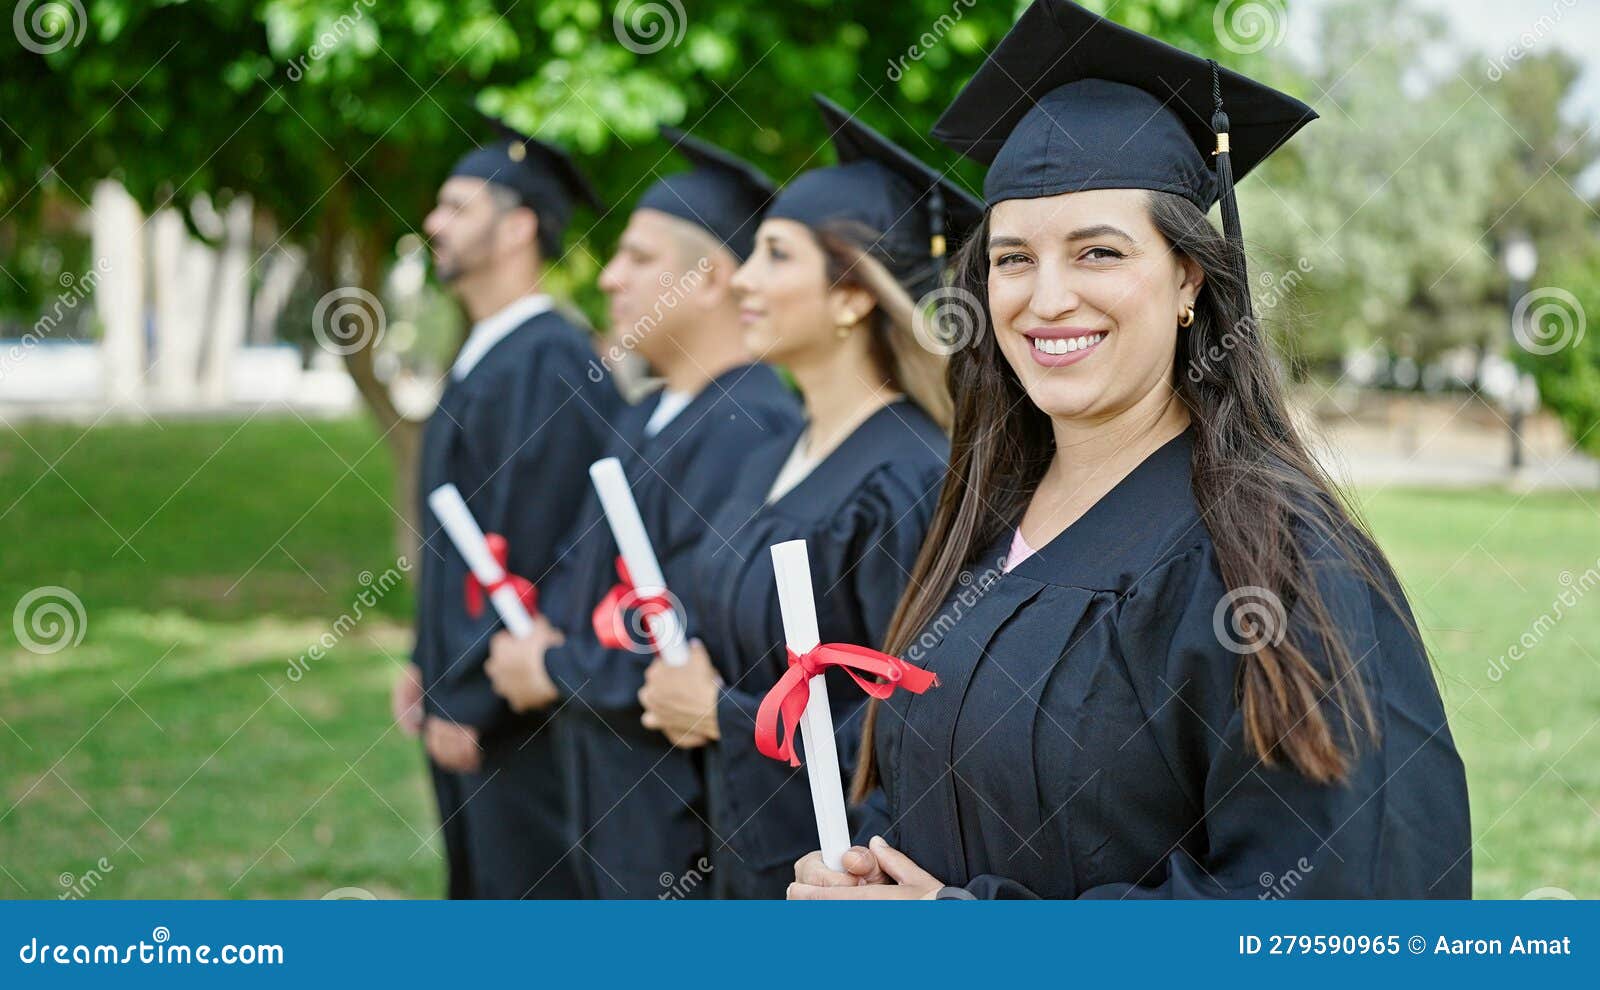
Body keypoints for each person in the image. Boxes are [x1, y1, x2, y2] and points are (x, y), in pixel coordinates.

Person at [788, 0, 1471, 900]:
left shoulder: (1276, 558)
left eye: (1099, 252)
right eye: (1014, 258)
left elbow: (1337, 908)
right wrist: (865, 875)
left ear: (1188, 275)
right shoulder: (986, 522)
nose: (1047, 298)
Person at [635, 94, 984, 898]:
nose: (743, 280)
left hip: (839, 882)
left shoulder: (908, 478)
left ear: (855, 295)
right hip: (738, 857)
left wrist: (722, 717)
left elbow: (917, 719)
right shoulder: (774, 455)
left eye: (777, 256)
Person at [482, 127, 803, 898]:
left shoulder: (751, 428)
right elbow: (587, 583)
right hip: (608, 807)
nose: (611, 278)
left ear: (709, 278)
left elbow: (695, 636)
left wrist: (553, 666)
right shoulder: (645, 415)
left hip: (686, 830)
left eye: (639, 258)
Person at [392, 120, 620, 899]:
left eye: (457, 207)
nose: (433, 223)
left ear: (519, 224)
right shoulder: (496, 350)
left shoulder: (547, 359)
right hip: (480, 701)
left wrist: (470, 696)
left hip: (522, 717)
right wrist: (428, 660)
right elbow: (465, 537)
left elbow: (529, 546)